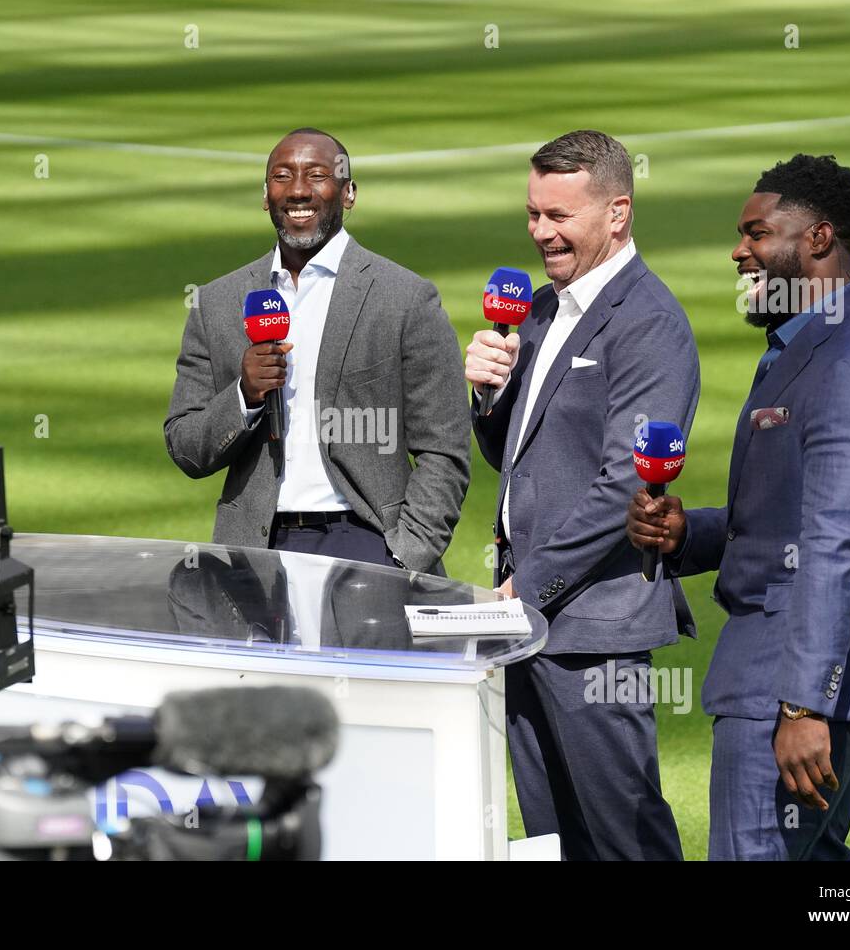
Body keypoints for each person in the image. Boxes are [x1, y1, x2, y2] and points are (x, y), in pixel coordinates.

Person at [626, 154, 850, 860]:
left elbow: (838, 542)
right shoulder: (801, 347)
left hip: (789, 680)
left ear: (818, 240)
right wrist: (686, 534)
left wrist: (803, 705)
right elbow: (790, 521)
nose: (739, 251)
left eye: (757, 233)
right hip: (783, 671)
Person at [465, 130, 700, 859]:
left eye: (559, 216)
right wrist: (487, 397)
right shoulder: (537, 311)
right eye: (533, 214)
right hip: (531, 623)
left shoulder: (651, 324)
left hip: (594, 634)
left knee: (626, 840)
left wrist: (526, 588)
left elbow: (625, 482)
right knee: (551, 839)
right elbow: (519, 457)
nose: (540, 232)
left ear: (617, 213)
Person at [166, 128, 469, 573]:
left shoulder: (405, 297)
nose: (298, 190)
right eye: (282, 177)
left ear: (348, 193)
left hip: (367, 543)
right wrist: (244, 395)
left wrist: (408, 553)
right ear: (265, 196)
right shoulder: (217, 302)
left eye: (318, 175)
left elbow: (444, 447)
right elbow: (186, 446)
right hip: (253, 551)